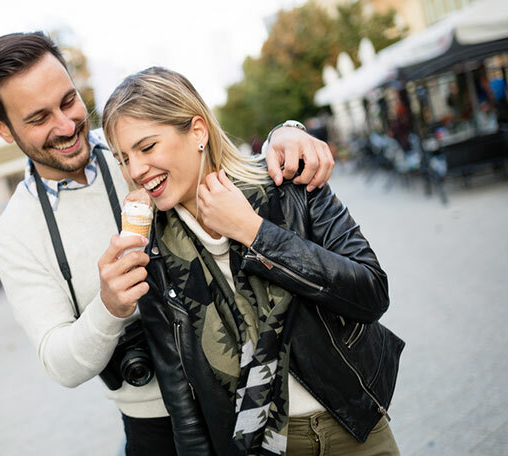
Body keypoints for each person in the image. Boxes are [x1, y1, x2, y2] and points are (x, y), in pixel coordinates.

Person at [0, 32, 335, 455]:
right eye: (38, 118)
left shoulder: (136, 151)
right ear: (2, 127)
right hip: (154, 422)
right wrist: (109, 308)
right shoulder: (16, 233)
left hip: (245, 390)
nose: (67, 126)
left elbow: (218, 157)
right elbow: (59, 362)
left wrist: (284, 134)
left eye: (69, 101)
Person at [101, 67, 403, 455]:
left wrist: (256, 233)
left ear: (197, 131)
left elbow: (372, 293)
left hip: (354, 426)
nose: (135, 170)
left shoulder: (289, 184)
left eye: (147, 147)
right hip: (260, 446)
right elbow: (181, 397)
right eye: (122, 158)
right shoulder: (151, 254)